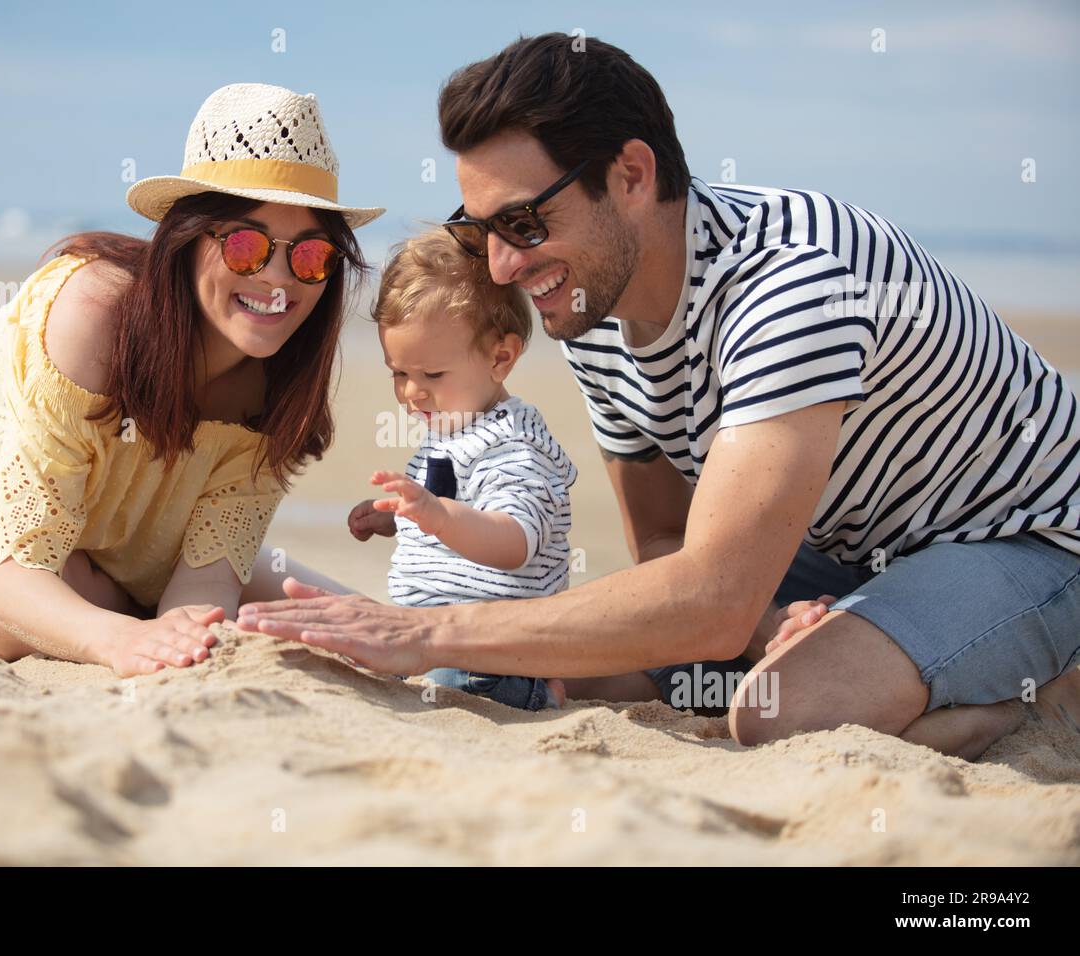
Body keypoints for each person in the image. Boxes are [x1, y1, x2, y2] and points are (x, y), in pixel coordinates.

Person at [233, 36, 1080, 760]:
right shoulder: (594, 309)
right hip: (847, 543)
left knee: (788, 712)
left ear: (631, 175)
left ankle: (1045, 703)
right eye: (481, 228)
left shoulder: (793, 285)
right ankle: (886, 642)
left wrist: (417, 635)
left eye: (524, 224)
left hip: (1028, 536)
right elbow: (670, 548)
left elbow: (706, 599)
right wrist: (768, 619)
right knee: (576, 665)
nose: (501, 267)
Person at [0, 83, 383, 677]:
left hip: (132, 553)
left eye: (312, 256)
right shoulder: (93, 315)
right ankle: (109, 603)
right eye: (245, 245)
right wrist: (121, 639)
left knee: (343, 618)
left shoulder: (280, 383)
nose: (278, 278)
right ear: (189, 236)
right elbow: (16, 570)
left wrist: (182, 628)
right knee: (28, 620)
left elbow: (206, 578)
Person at [348, 229, 577, 710]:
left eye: (431, 375)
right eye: (399, 373)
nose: (412, 392)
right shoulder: (450, 429)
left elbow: (513, 540)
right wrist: (397, 515)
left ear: (500, 358)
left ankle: (537, 690)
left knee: (446, 682)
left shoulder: (514, 445)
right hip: (435, 632)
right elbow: (448, 514)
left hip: (487, 650)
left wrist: (437, 514)